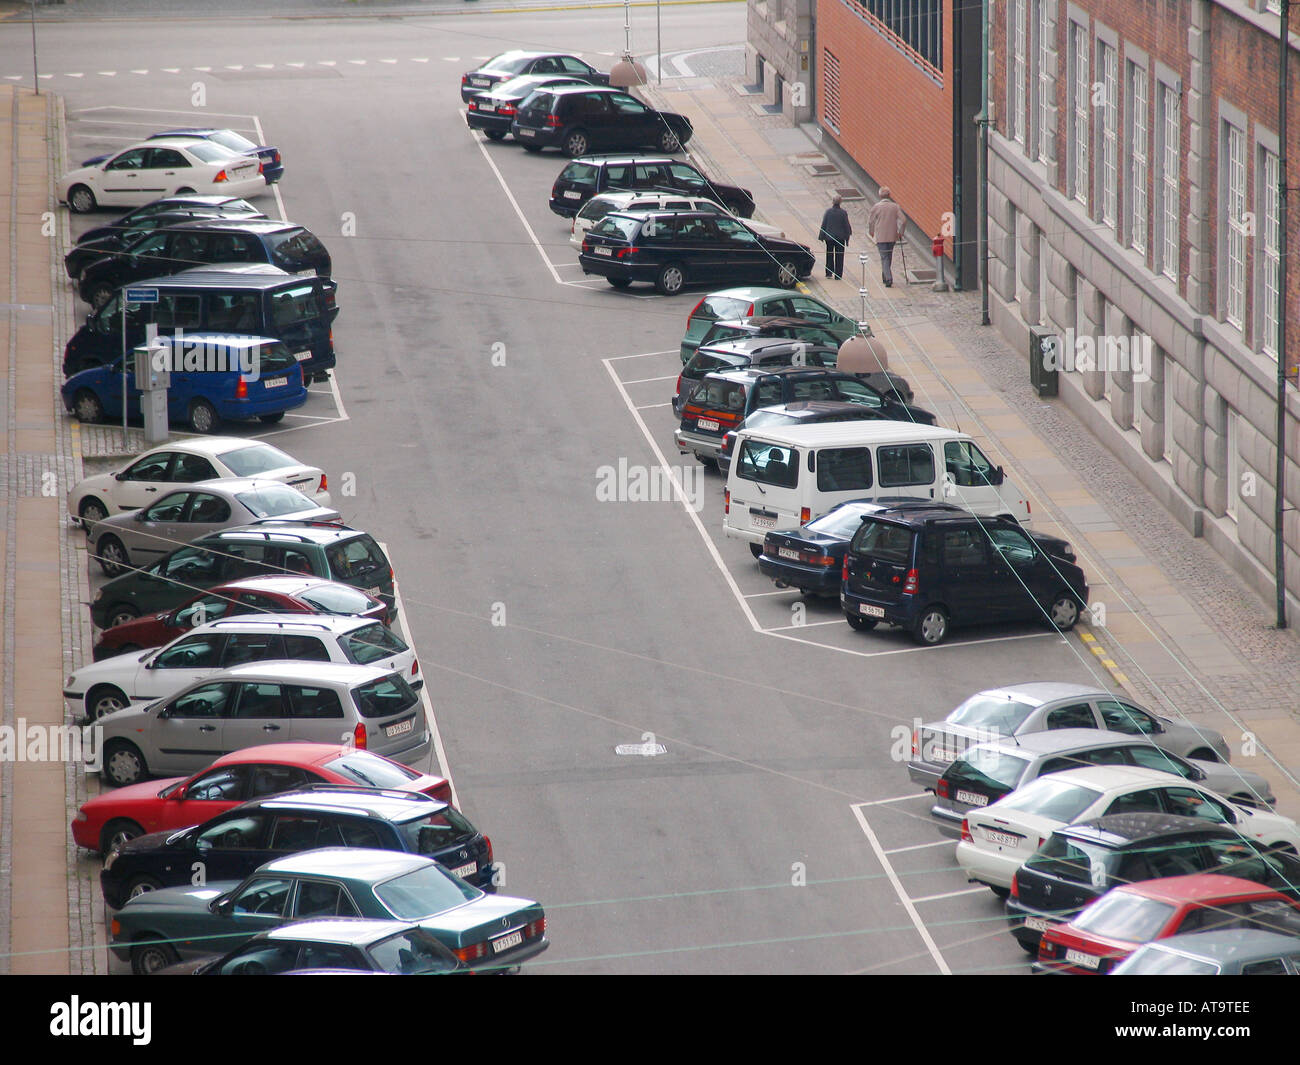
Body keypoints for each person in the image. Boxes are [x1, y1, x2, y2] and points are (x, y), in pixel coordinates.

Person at [867, 186, 907, 288]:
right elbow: (904, 220)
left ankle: (888, 278)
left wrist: (871, 231)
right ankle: (885, 277)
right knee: (888, 257)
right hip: (892, 236)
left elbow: (871, 221)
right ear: (889, 195)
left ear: (880, 195)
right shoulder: (895, 207)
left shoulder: (876, 207)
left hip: (881, 236)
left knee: (884, 258)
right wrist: (900, 233)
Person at [817, 194, 852, 280]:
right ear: (840, 202)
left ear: (832, 202)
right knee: (839, 256)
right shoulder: (843, 213)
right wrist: (847, 237)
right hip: (840, 238)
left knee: (829, 254)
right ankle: (838, 275)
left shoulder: (828, 212)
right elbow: (846, 226)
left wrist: (821, 236)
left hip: (829, 237)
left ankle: (829, 272)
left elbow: (824, 224)